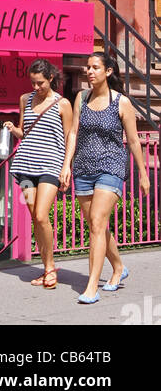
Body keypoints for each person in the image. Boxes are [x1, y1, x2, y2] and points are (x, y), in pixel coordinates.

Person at [60, 51, 151, 303]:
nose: (89, 71)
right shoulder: (81, 98)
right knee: (96, 225)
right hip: (83, 168)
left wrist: (143, 173)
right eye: (88, 67)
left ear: (108, 71)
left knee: (98, 222)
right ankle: (119, 267)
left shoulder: (121, 102)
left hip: (111, 166)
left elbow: (133, 140)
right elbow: (74, 133)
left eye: (95, 67)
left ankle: (91, 287)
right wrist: (66, 165)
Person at [3, 59, 72, 289]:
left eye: (40, 83)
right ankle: (46, 268)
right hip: (25, 166)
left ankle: (50, 267)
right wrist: (14, 130)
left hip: (50, 166)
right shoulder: (25, 99)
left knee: (42, 215)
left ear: (50, 78)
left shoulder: (62, 104)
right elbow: (24, 131)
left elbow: (69, 136)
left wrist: (66, 166)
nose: (36, 87)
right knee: (35, 217)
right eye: (32, 82)